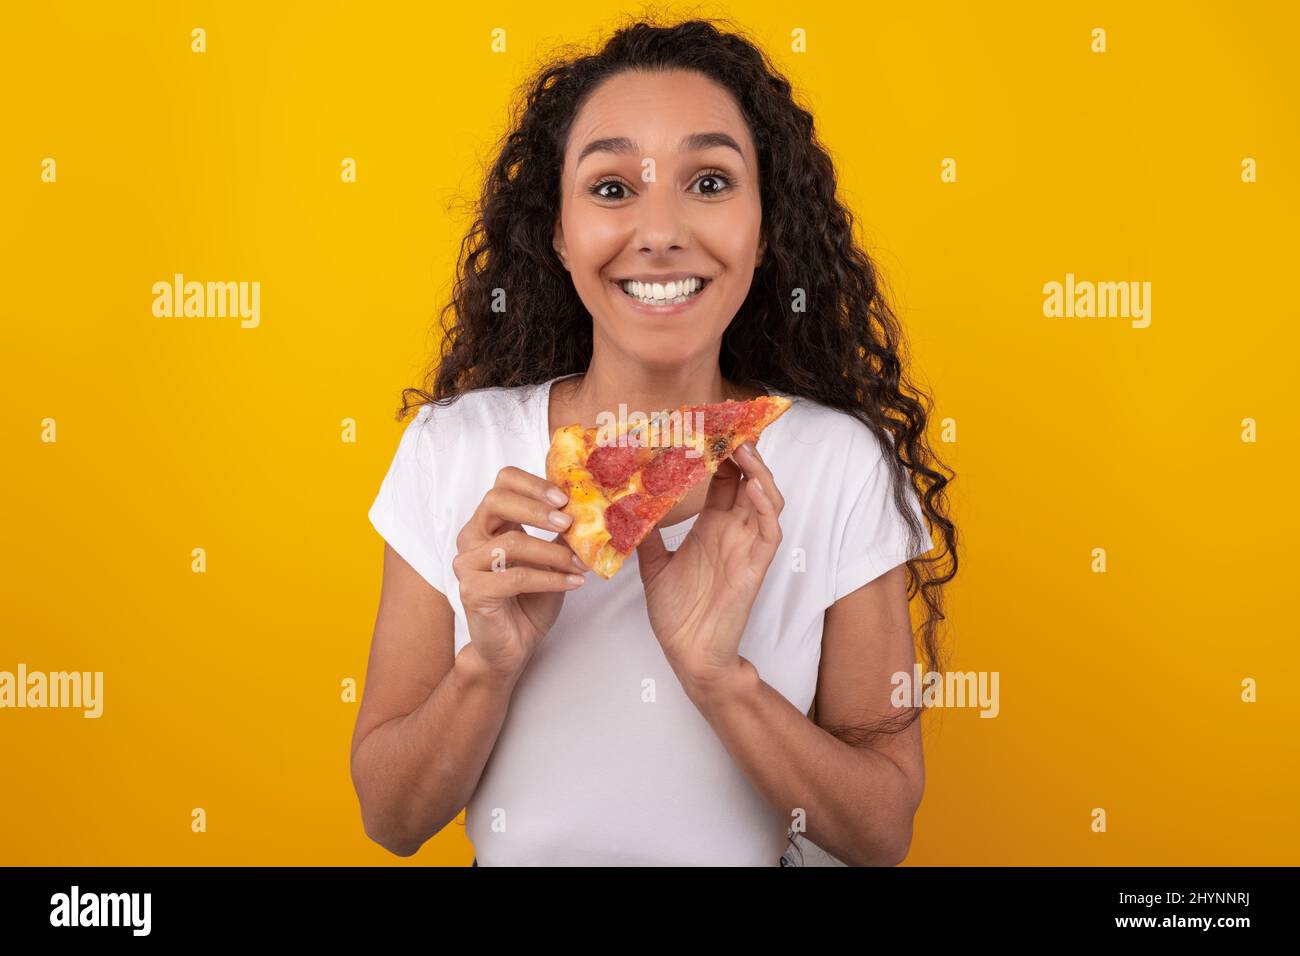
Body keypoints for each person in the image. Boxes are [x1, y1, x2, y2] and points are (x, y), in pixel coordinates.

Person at [349, 17, 957, 867]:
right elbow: (391, 817)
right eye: (610, 189)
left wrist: (720, 676)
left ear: (765, 227)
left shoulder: (837, 462)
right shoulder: (453, 448)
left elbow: (881, 833)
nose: (661, 229)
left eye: (709, 182)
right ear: (557, 233)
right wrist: (486, 667)